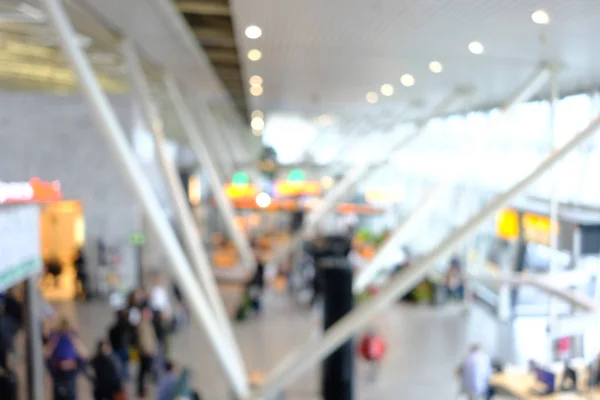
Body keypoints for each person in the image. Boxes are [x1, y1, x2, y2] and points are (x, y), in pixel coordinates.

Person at [45, 318, 88, 400]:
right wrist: (54, 340)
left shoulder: (73, 372)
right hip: (60, 386)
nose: (66, 363)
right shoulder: (56, 371)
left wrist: (74, 339)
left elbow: (84, 357)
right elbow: (47, 356)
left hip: (69, 390)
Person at [137, 307, 158, 398]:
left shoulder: (147, 324)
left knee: (144, 372)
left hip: (148, 351)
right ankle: (144, 390)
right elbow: (144, 339)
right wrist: (147, 350)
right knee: (145, 372)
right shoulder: (143, 325)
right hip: (146, 352)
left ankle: (144, 390)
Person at [108, 310, 131, 381]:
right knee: (120, 364)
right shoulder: (118, 328)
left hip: (122, 348)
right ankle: (122, 378)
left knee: (124, 364)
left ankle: (123, 377)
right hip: (119, 348)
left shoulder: (123, 327)